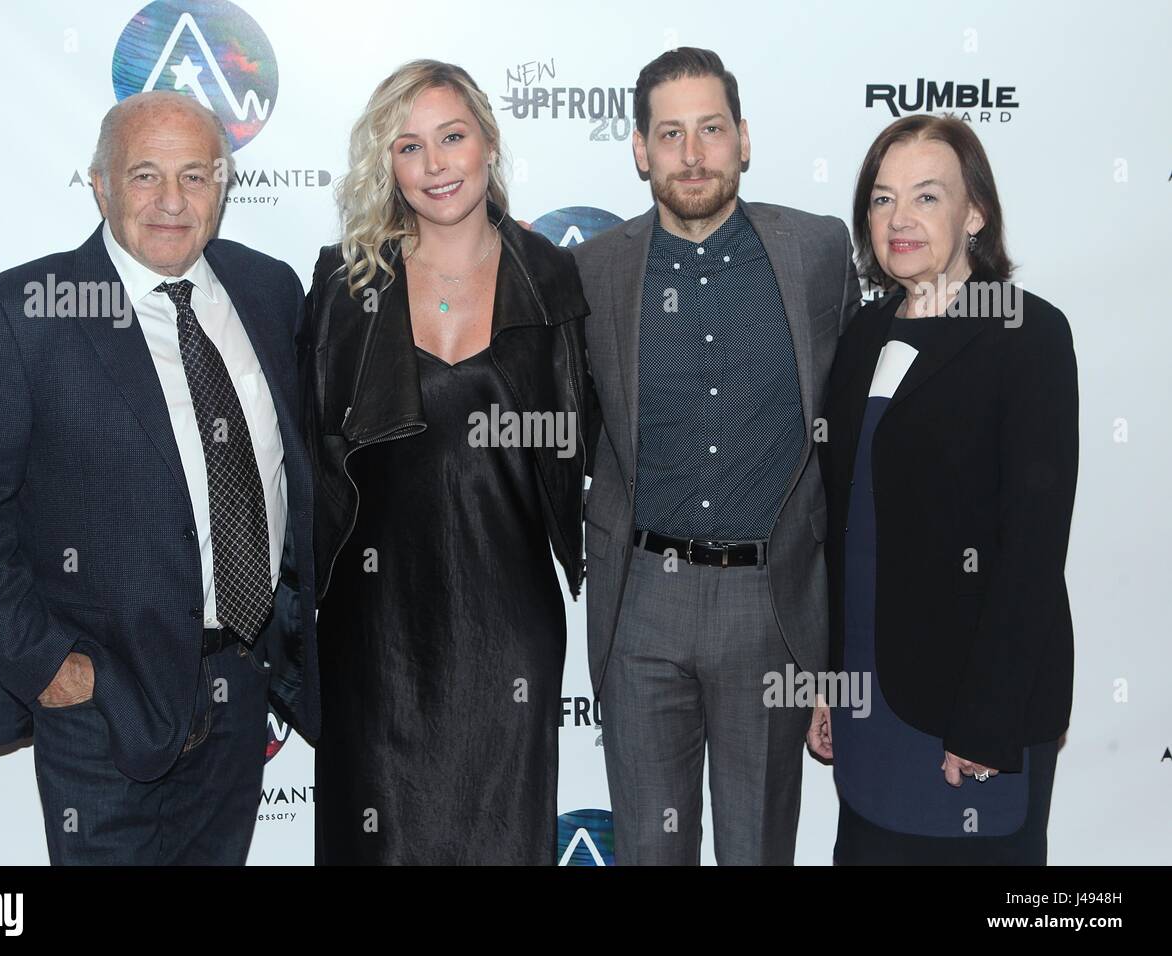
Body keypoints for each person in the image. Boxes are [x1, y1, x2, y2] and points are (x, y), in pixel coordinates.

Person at [0, 91, 318, 865]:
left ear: (224, 184)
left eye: (196, 176)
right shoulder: (23, 313)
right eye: (145, 175)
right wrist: (48, 668)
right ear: (100, 185)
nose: (173, 201)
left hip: (242, 693)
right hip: (104, 707)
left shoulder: (269, 291)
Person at [300, 60, 592, 865]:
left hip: (508, 619)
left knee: (502, 834)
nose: (435, 165)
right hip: (374, 622)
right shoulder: (344, 284)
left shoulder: (552, 276)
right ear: (386, 165)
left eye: (452, 137)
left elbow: (582, 443)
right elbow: (308, 460)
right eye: (409, 146)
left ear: (489, 143)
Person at [574, 47, 859, 865]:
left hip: (771, 609)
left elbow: (848, 452)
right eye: (670, 134)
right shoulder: (592, 272)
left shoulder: (816, 253)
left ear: (743, 139)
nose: (692, 154)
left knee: (758, 850)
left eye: (710, 129)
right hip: (640, 610)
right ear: (640, 150)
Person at [808, 114, 1078, 864]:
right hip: (869, 707)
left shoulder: (1029, 334)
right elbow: (842, 525)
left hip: (968, 716)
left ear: (976, 213)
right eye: (882, 198)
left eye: (927, 197)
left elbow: (1033, 548)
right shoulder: (862, 335)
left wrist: (986, 722)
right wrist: (829, 681)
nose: (899, 219)